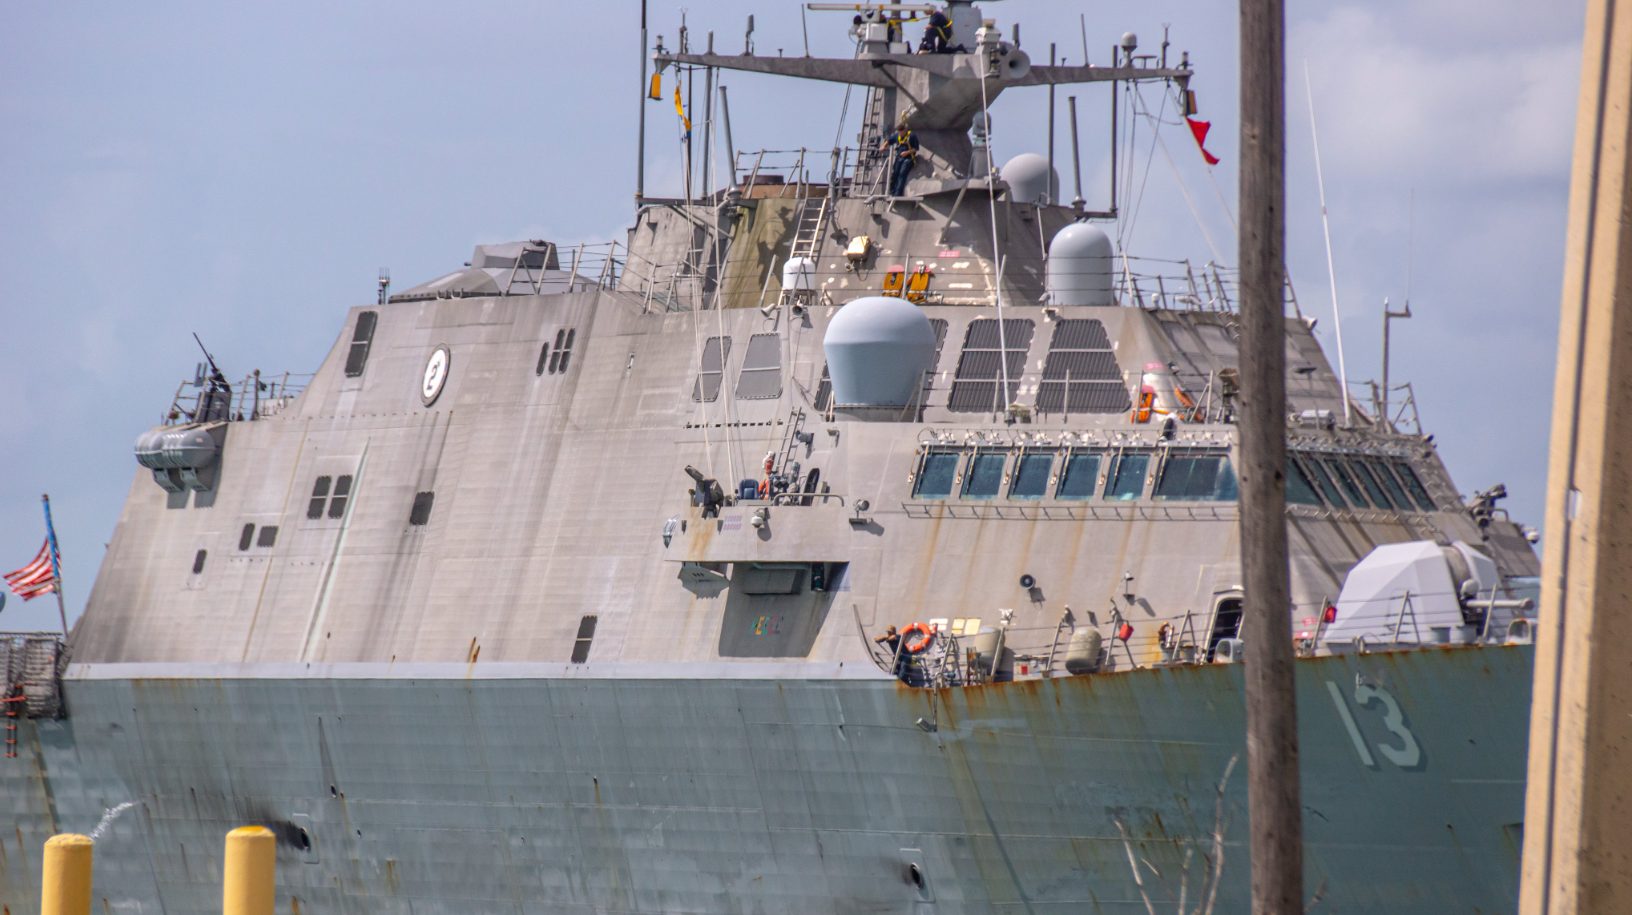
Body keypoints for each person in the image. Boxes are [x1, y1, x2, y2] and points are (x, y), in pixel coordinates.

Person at [882, 122, 920, 197]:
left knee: (902, 174)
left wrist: (907, 152)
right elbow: (889, 141)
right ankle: (891, 191)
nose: (900, 134)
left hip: (909, 158)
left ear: (905, 130)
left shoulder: (912, 136)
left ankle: (897, 194)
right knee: (895, 173)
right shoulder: (897, 136)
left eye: (901, 132)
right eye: (899, 132)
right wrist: (883, 146)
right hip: (899, 158)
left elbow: (916, 149)